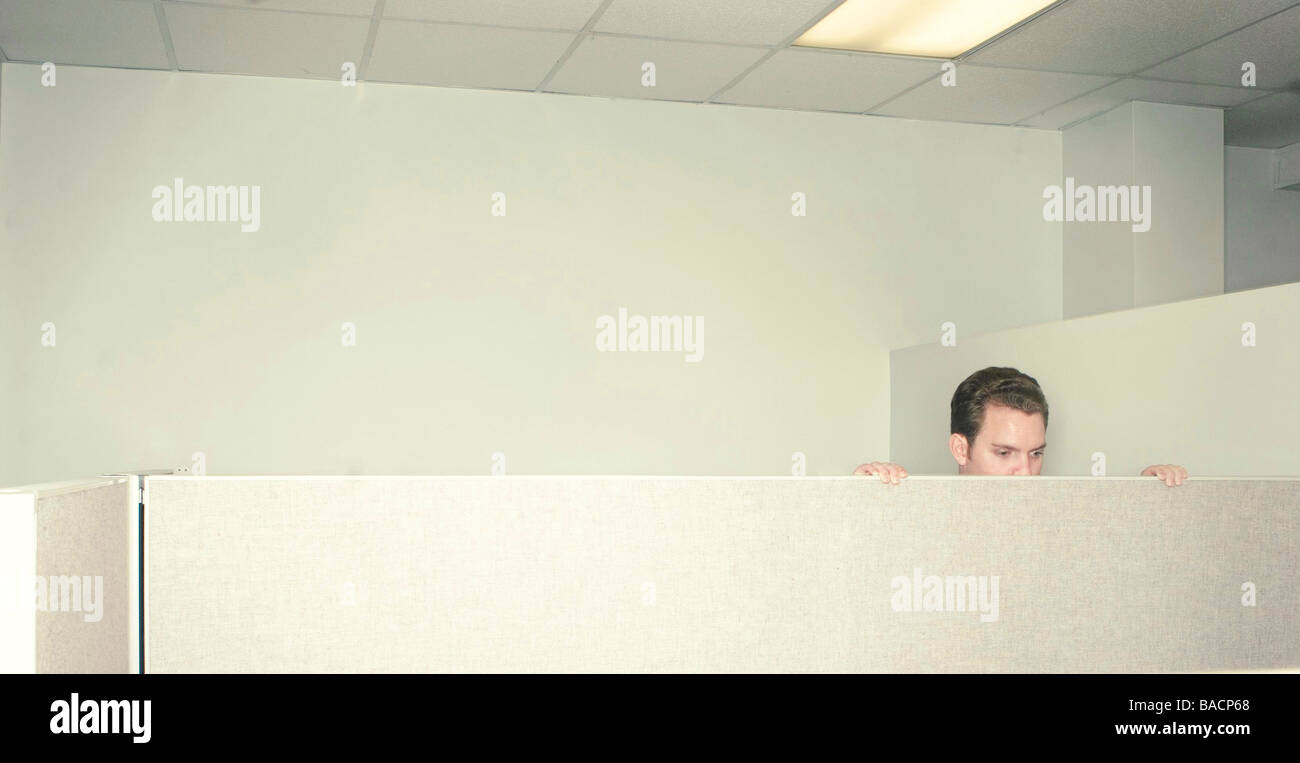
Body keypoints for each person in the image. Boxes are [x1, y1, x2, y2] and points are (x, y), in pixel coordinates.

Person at [853, 366, 1188, 486]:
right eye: (1004, 453)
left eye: (1036, 453)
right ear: (960, 448)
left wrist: (1150, 503)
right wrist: (862, 502)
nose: (1026, 473)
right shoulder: (922, 519)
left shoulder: (1063, 519)